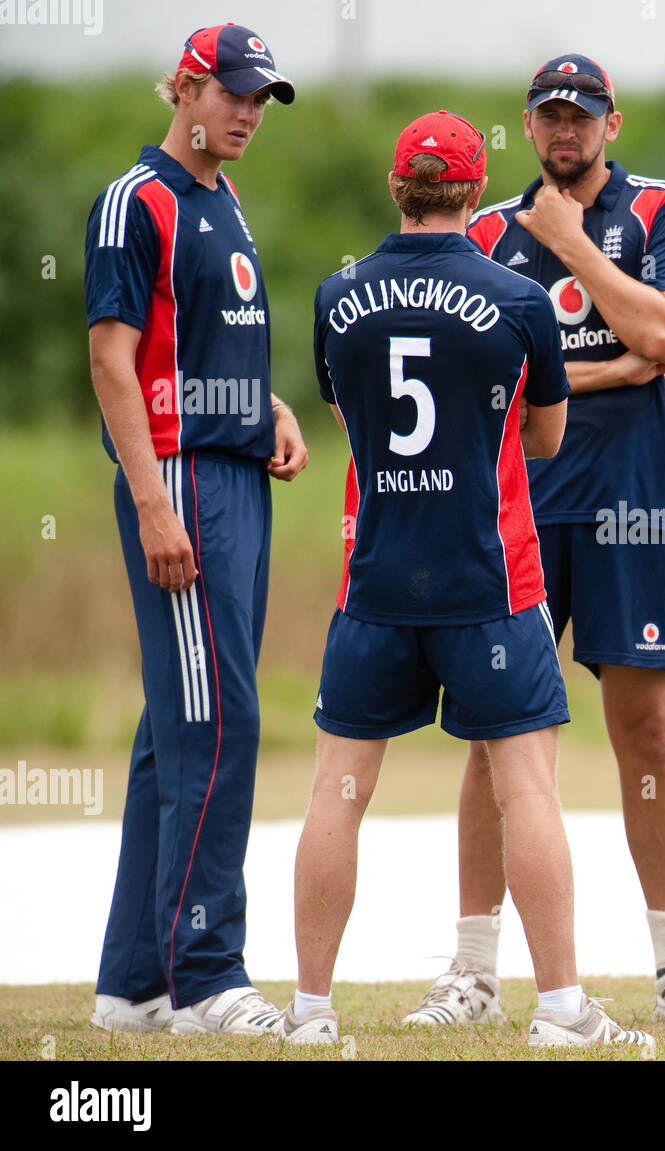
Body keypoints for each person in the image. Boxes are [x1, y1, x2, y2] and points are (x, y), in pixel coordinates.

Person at [279, 110, 652, 1050]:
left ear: (396, 188)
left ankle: (312, 1012)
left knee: (337, 792)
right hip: (493, 580)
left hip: (373, 584)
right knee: (526, 789)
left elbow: (347, 414)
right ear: (478, 191)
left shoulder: (336, 294)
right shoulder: (519, 298)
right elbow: (545, 436)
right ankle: (563, 1010)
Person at [404, 55, 665, 1029]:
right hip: (513, 513)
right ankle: (472, 970)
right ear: (526, 125)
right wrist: (603, 367)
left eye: (583, 115)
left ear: (613, 120)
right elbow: (467, 371)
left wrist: (572, 249)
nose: (567, 132)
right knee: (494, 737)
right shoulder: (480, 228)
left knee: (644, 726)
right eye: (550, 117)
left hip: (637, 503)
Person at [85, 23, 306, 1036]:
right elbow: (112, 361)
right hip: (178, 481)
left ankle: (134, 981)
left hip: (235, 476)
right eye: (233, 94)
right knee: (219, 723)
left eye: (260, 99)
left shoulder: (225, 196)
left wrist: (270, 413)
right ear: (184, 87)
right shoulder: (142, 200)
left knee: (173, 729)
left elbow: (213, 342)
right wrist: (151, 500)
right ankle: (208, 975)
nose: (248, 113)